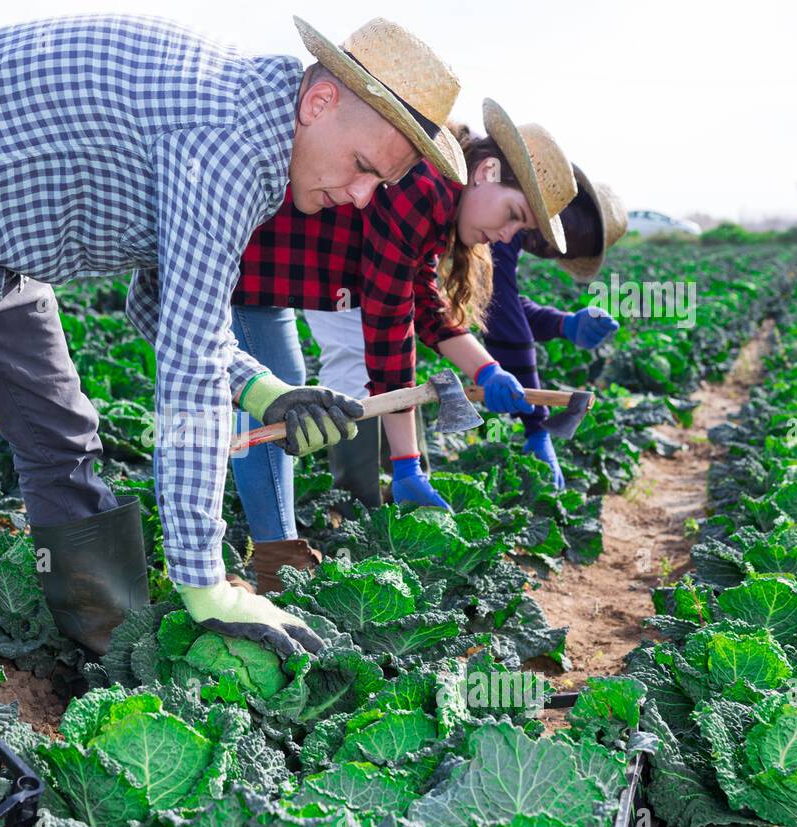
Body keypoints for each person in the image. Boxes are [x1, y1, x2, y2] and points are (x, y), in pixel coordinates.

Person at [0, 14, 464, 663]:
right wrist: (206, 582)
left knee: (60, 437)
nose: (359, 196)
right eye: (361, 166)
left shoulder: (263, 134)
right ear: (320, 102)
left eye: (377, 183)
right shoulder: (230, 141)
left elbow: (162, 309)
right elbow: (189, 368)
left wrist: (271, 395)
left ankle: (109, 642)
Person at [231, 99, 577, 592]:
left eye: (517, 231)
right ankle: (273, 563)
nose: (504, 234)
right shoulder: (424, 187)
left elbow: (423, 304)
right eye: (513, 215)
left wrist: (487, 372)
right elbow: (389, 321)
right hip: (249, 260)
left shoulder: (440, 201)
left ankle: (277, 556)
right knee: (270, 400)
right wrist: (406, 465)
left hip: (271, 278)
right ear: (487, 171)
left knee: (278, 393)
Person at [482, 169, 629, 488]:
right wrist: (536, 425)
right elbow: (499, 308)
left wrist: (563, 324)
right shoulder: (499, 218)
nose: (554, 251)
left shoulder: (512, 233)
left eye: (566, 253)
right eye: (566, 235)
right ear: (560, 203)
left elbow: (499, 302)